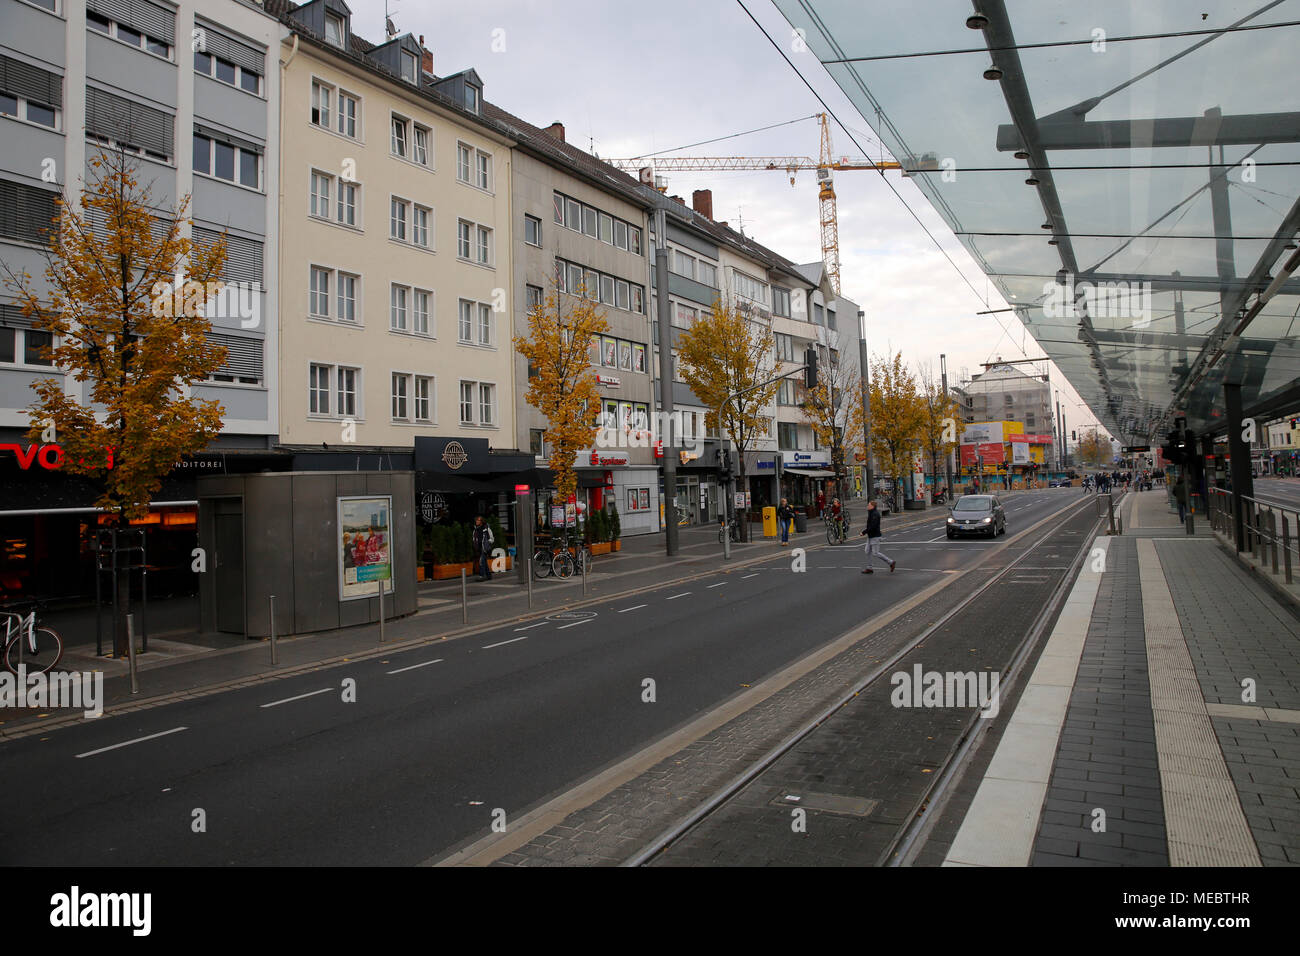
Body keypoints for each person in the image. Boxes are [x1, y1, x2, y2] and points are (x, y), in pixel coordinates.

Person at [858, 500, 895, 574]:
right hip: (871, 535)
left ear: (872, 506)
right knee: (867, 551)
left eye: (868, 505)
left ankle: (891, 562)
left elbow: (873, 526)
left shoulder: (875, 514)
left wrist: (864, 532)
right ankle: (869, 568)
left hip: (875, 536)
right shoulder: (871, 513)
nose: (867, 506)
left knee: (875, 553)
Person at [473, 515, 494, 580]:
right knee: (484, 561)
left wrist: (487, 543)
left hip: (485, 548)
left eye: (478, 520)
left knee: (481, 561)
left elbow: (492, 538)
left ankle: (481, 576)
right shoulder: (475, 529)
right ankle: (488, 575)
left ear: (481, 521)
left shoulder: (486, 528)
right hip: (478, 548)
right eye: (476, 520)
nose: (476, 521)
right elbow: (474, 538)